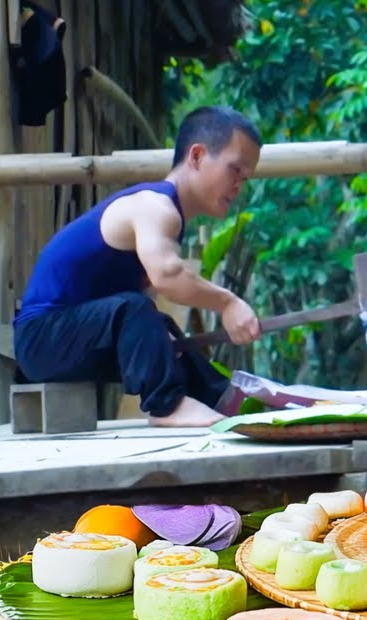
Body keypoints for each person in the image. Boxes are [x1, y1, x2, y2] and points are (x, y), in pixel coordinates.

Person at [13, 106, 263, 427]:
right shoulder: (154, 206)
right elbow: (168, 276)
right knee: (135, 310)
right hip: (41, 341)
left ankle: (227, 400)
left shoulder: (168, 219)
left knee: (165, 334)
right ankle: (166, 407)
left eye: (245, 177)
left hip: (76, 339)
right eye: (235, 170)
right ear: (197, 156)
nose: (239, 185)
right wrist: (227, 302)